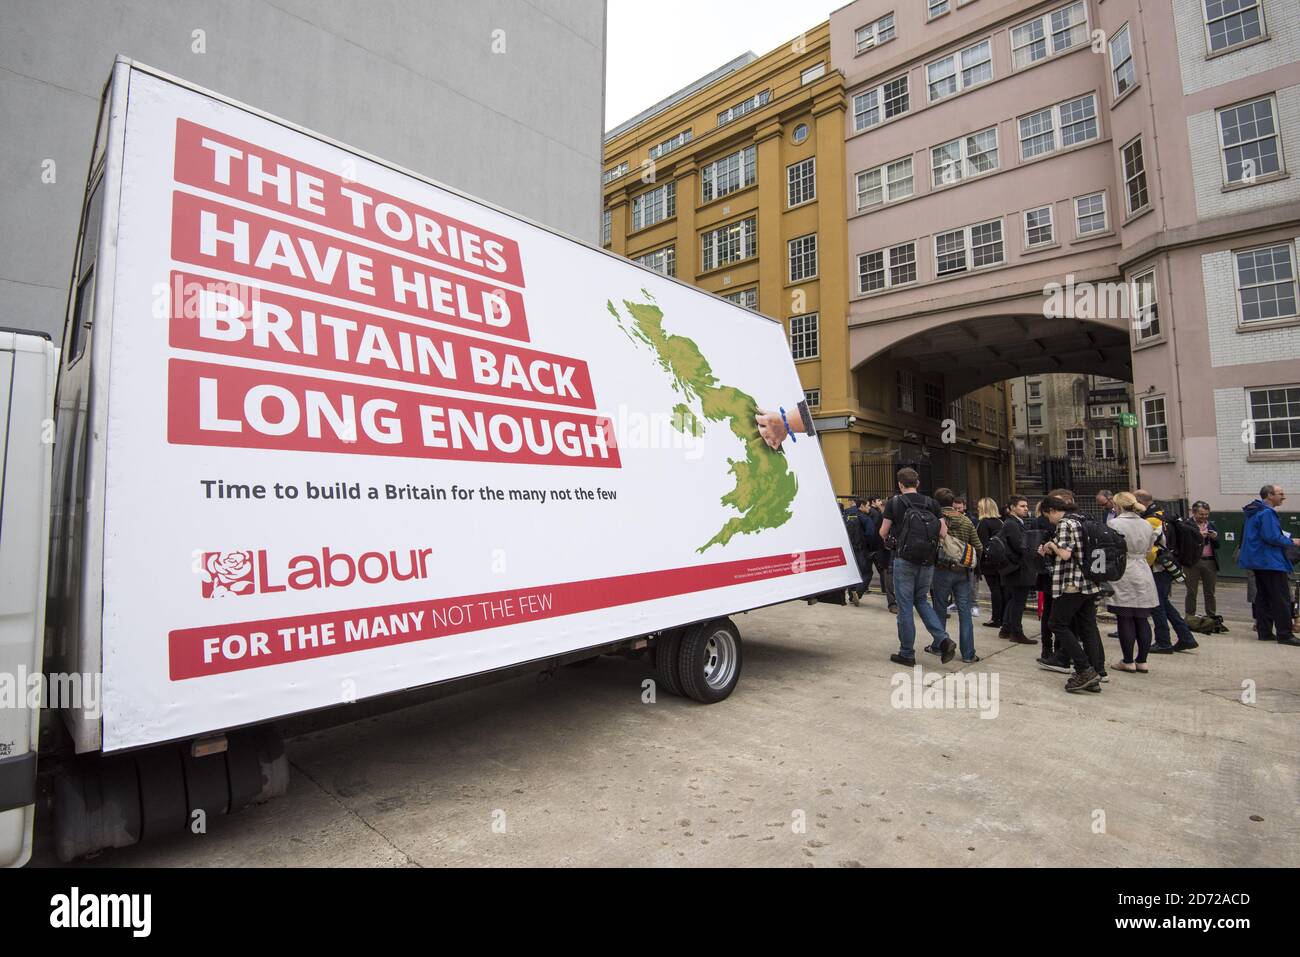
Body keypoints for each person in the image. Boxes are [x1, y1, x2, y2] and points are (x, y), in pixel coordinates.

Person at [878, 467, 954, 666]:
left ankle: (907, 653)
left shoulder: (894, 503)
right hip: (927, 560)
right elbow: (943, 532)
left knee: (904, 607)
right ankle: (943, 639)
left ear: (900, 485)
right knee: (921, 600)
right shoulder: (932, 503)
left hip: (904, 559)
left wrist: (892, 539)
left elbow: (883, 531)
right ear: (918, 483)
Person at [1037, 494, 1106, 693]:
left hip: (1072, 582)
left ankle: (1083, 668)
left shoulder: (1065, 524)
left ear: (1051, 511)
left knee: (1056, 623)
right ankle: (1095, 672)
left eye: (1047, 515)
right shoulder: (1081, 519)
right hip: (1089, 582)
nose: (1048, 520)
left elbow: (1066, 554)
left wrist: (1051, 545)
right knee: (1088, 627)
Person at [1135, 490, 1198, 654]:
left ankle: (1163, 642)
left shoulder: (1152, 520)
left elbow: (1148, 546)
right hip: (1167, 565)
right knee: (1164, 604)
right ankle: (1186, 638)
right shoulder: (1164, 514)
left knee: (1157, 605)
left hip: (1159, 567)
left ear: (1141, 502)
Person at [1239, 484, 1300, 646]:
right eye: (1280, 494)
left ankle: (1264, 632)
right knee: (1281, 598)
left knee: (1263, 597)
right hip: (1270, 561)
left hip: (1258, 561)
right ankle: (1285, 634)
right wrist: (1292, 541)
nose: (1283, 497)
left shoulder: (1254, 511)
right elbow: (1272, 537)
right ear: (1269, 495)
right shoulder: (1267, 513)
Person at [1106, 492, 1160, 673]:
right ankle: (1142, 660)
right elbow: (1154, 542)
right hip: (1143, 568)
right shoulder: (1146, 523)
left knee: (1125, 616)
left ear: (1118, 505)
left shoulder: (1114, 523)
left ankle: (1128, 660)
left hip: (1124, 569)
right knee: (1142, 617)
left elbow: (1110, 546)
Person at [929, 488, 982, 663]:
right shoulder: (966, 521)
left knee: (939, 609)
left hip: (941, 569)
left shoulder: (935, 520)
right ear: (953, 503)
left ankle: (939, 645)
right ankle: (968, 653)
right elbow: (978, 546)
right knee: (965, 612)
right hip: (962, 570)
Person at [998, 496, 1039, 645]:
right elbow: (1019, 546)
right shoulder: (1012, 524)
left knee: (1014, 600)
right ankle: (1016, 632)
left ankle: (1006, 628)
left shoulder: (1015, 523)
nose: (1026, 508)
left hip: (1016, 568)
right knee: (1018, 602)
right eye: (1022, 506)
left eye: (1026, 506)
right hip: (1018, 569)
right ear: (1012, 508)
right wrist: (1033, 550)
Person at [1183, 500, 1220, 618]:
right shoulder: (1186, 525)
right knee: (1191, 591)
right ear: (1194, 513)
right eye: (1201, 514)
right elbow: (1184, 544)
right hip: (1193, 562)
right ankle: (1190, 616)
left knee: (1210, 592)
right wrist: (1199, 537)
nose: (1204, 517)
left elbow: (1218, 545)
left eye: (1206, 514)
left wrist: (1214, 538)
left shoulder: (1211, 525)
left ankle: (1211, 616)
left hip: (1209, 561)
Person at [975, 497, 1006, 630]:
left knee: (995, 589)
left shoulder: (983, 523)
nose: (977, 509)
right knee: (1001, 589)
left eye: (979, 506)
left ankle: (996, 618)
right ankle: (1004, 617)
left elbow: (981, 544)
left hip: (989, 562)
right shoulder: (1000, 522)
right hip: (1001, 560)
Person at [841, 498, 871, 605]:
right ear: (861, 506)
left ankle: (851, 595)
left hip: (849, 548)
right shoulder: (864, 517)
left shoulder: (846, 514)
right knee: (867, 572)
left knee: (852, 572)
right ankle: (857, 593)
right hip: (861, 549)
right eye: (867, 505)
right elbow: (871, 533)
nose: (869, 508)